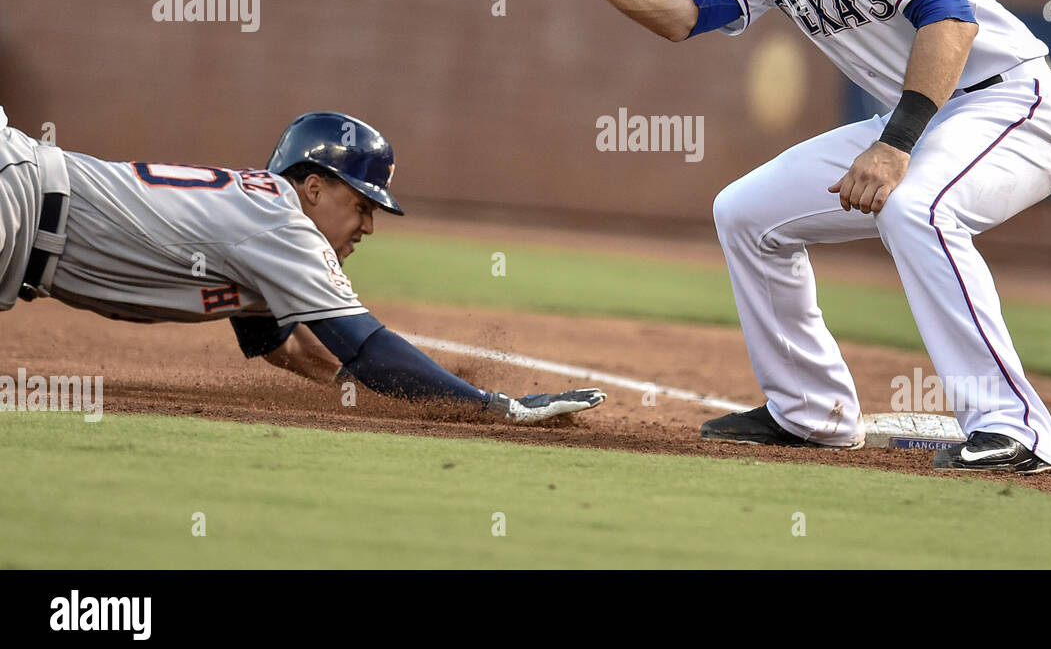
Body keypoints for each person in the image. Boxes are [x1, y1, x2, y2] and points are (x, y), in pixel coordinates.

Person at [532, 0, 1051, 473]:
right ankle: (810, 412)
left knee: (913, 207)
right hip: (930, 121)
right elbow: (677, 11)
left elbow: (950, 22)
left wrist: (895, 144)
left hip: (1013, 104)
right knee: (746, 213)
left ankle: (1016, 429)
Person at [0, 107, 606, 424]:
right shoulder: (285, 225)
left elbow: (284, 348)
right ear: (313, 187)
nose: (368, 226)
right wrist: (492, 405)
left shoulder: (262, 226)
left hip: (24, 209)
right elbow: (366, 348)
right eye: (361, 204)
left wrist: (368, 399)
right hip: (16, 196)